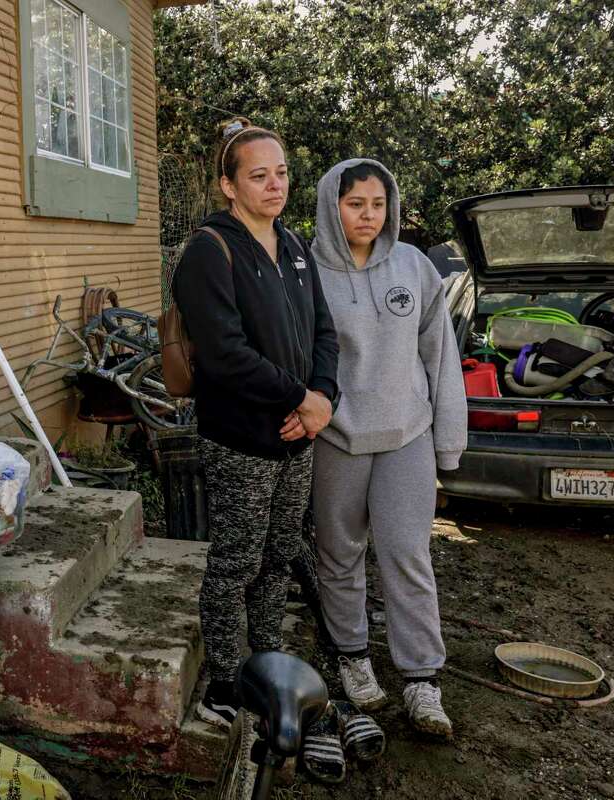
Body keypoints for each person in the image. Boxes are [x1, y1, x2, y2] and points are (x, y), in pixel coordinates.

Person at [172, 118, 340, 729]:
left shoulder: (295, 248)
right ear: (228, 184)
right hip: (242, 437)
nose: (275, 186)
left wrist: (322, 396)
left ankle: (267, 663)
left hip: (300, 435)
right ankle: (223, 680)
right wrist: (301, 398)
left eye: (282, 173)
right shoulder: (208, 252)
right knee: (236, 562)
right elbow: (223, 353)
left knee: (278, 558)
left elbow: (324, 331)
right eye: (258, 175)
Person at [310, 158, 467, 737]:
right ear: (333, 206)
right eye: (356, 205)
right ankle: (353, 657)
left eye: (378, 205)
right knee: (340, 553)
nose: (368, 216)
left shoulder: (414, 266)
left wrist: (448, 442)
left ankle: (423, 680)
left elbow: (440, 356)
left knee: (406, 551)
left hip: (407, 433)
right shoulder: (307, 271)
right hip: (337, 438)